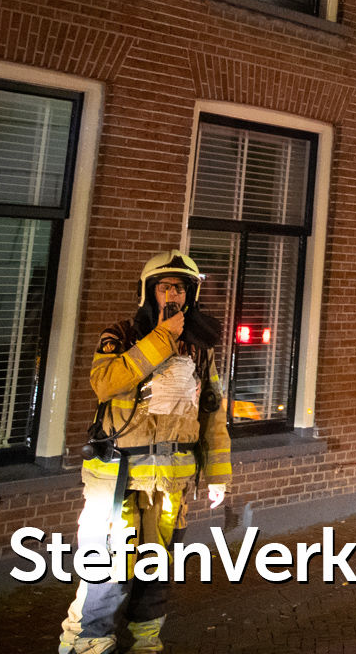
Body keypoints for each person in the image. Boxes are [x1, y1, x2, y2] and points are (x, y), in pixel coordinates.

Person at [59, 250, 229, 654]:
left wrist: (220, 474)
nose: (173, 293)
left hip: (172, 483)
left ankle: (146, 641)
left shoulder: (201, 349)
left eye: (181, 287)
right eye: (165, 286)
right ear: (148, 291)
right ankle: (86, 641)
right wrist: (162, 337)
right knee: (109, 565)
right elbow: (104, 384)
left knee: (158, 566)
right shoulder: (119, 336)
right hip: (119, 479)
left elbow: (214, 414)